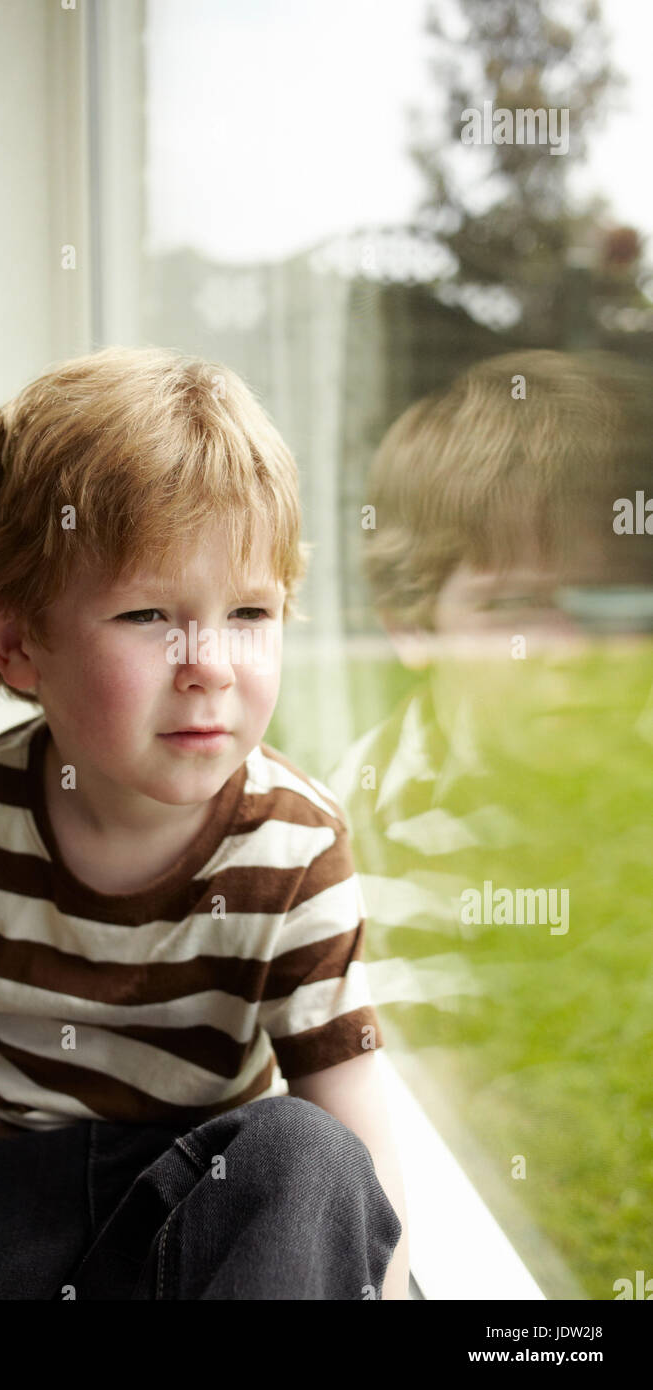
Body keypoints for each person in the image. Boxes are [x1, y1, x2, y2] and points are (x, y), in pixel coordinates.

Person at [0, 345, 406, 1300]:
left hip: (185, 1204)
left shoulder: (295, 845)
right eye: (150, 613)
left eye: (250, 610)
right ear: (15, 641)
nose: (209, 661)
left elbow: (351, 1112)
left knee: (306, 1155)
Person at [326, 349, 653, 1298]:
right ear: (410, 621)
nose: (571, 654)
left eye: (608, 602)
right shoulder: (357, 844)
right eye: (516, 607)